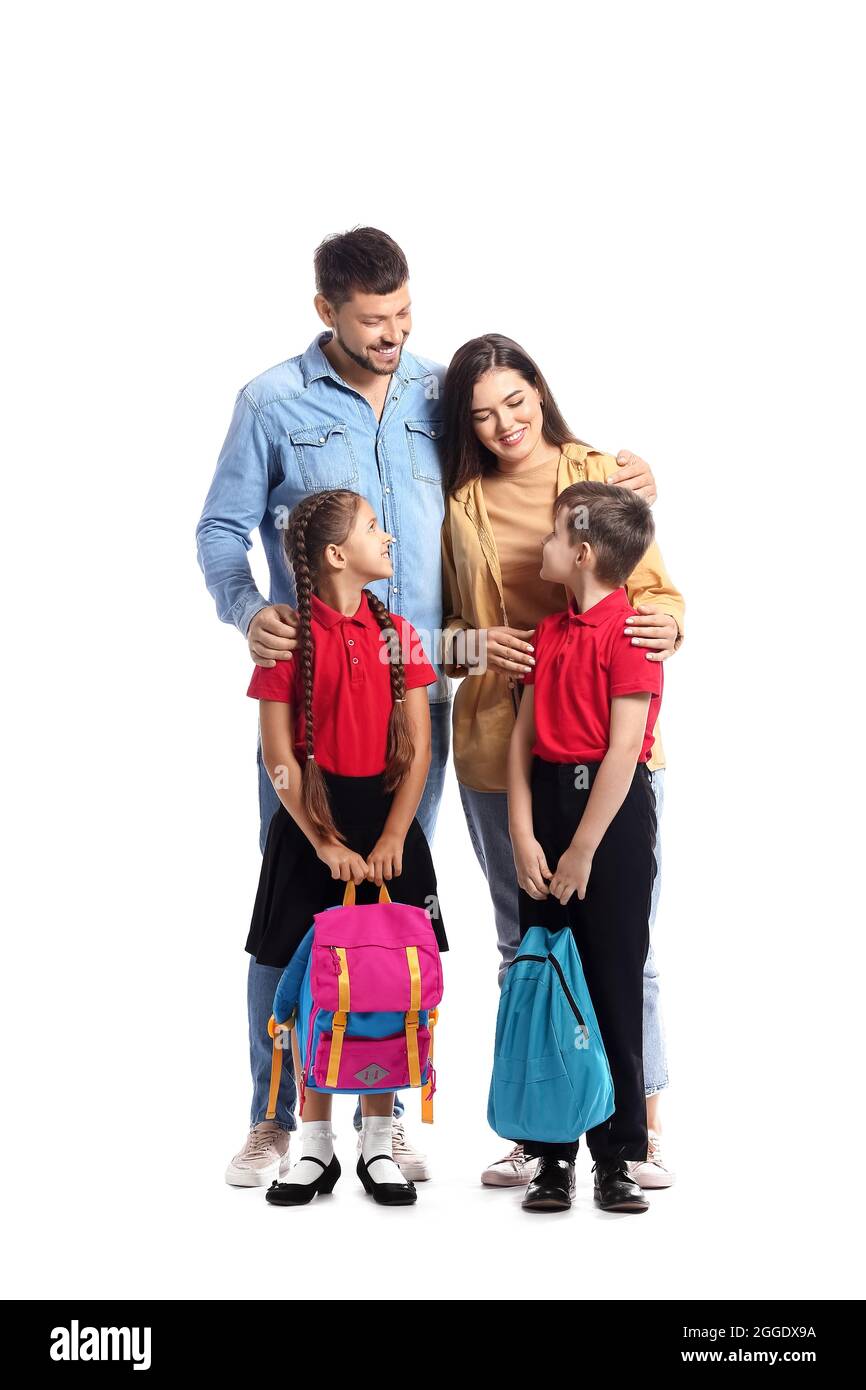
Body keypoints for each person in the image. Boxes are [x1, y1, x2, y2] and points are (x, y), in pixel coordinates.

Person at [196, 228, 450, 1186]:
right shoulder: (270, 402)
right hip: (307, 708)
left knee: (390, 917)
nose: (393, 334)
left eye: (403, 314)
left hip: (417, 693)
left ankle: (381, 1116)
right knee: (296, 914)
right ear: (326, 313)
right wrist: (249, 609)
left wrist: (616, 473)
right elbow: (221, 526)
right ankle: (275, 1117)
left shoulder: (438, 390)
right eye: (372, 321)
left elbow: (525, 456)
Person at [439, 335, 684, 1188]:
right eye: (480, 414)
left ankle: (633, 1129)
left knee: (623, 951)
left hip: (605, 744)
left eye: (515, 400)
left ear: (540, 391)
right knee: (527, 945)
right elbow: (438, 632)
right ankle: (544, 1131)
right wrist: (478, 644)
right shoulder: (460, 500)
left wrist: (671, 627)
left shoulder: (599, 474)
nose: (503, 423)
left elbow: (655, 592)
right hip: (507, 746)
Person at [249, 489, 448, 1207]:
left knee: (388, 985)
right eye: (373, 527)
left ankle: (377, 1142)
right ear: (338, 555)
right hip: (312, 829)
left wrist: (395, 833)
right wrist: (325, 842)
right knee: (311, 991)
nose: (388, 536)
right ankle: (313, 1148)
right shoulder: (288, 639)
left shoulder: (401, 632)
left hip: (387, 827)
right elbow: (279, 757)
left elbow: (421, 748)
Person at [508, 481, 663, 1213]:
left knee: (610, 984)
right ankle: (550, 1158)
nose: (539, 546)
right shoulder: (548, 633)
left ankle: (618, 1156)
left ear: (584, 552)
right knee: (544, 981)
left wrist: (583, 851)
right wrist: (522, 832)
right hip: (546, 805)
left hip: (611, 820)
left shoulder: (631, 633)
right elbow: (522, 743)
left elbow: (624, 749)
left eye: (549, 536)